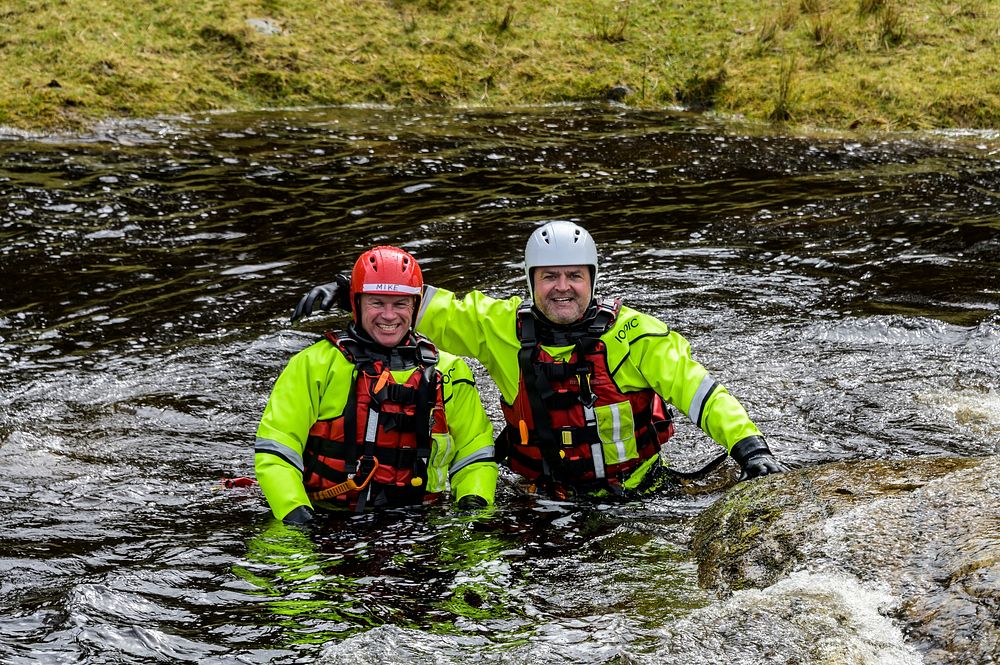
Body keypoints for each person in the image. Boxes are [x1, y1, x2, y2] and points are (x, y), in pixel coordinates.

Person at [291, 222, 787, 499]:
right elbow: (427, 308)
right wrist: (345, 288)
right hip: (541, 496)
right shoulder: (502, 327)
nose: (563, 287)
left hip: (637, 496)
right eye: (549, 276)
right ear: (531, 282)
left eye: (574, 275)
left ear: (593, 279)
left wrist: (749, 447)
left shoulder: (635, 335)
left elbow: (700, 392)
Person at [256, 246, 498, 525]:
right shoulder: (313, 365)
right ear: (356, 303)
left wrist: (473, 505)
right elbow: (277, 448)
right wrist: (295, 515)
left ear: (416, 307)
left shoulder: (450, 370)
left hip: (423, 520)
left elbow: (474, 451)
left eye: (400, 304)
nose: (389, 316)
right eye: (377, 302)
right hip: (327, 518)